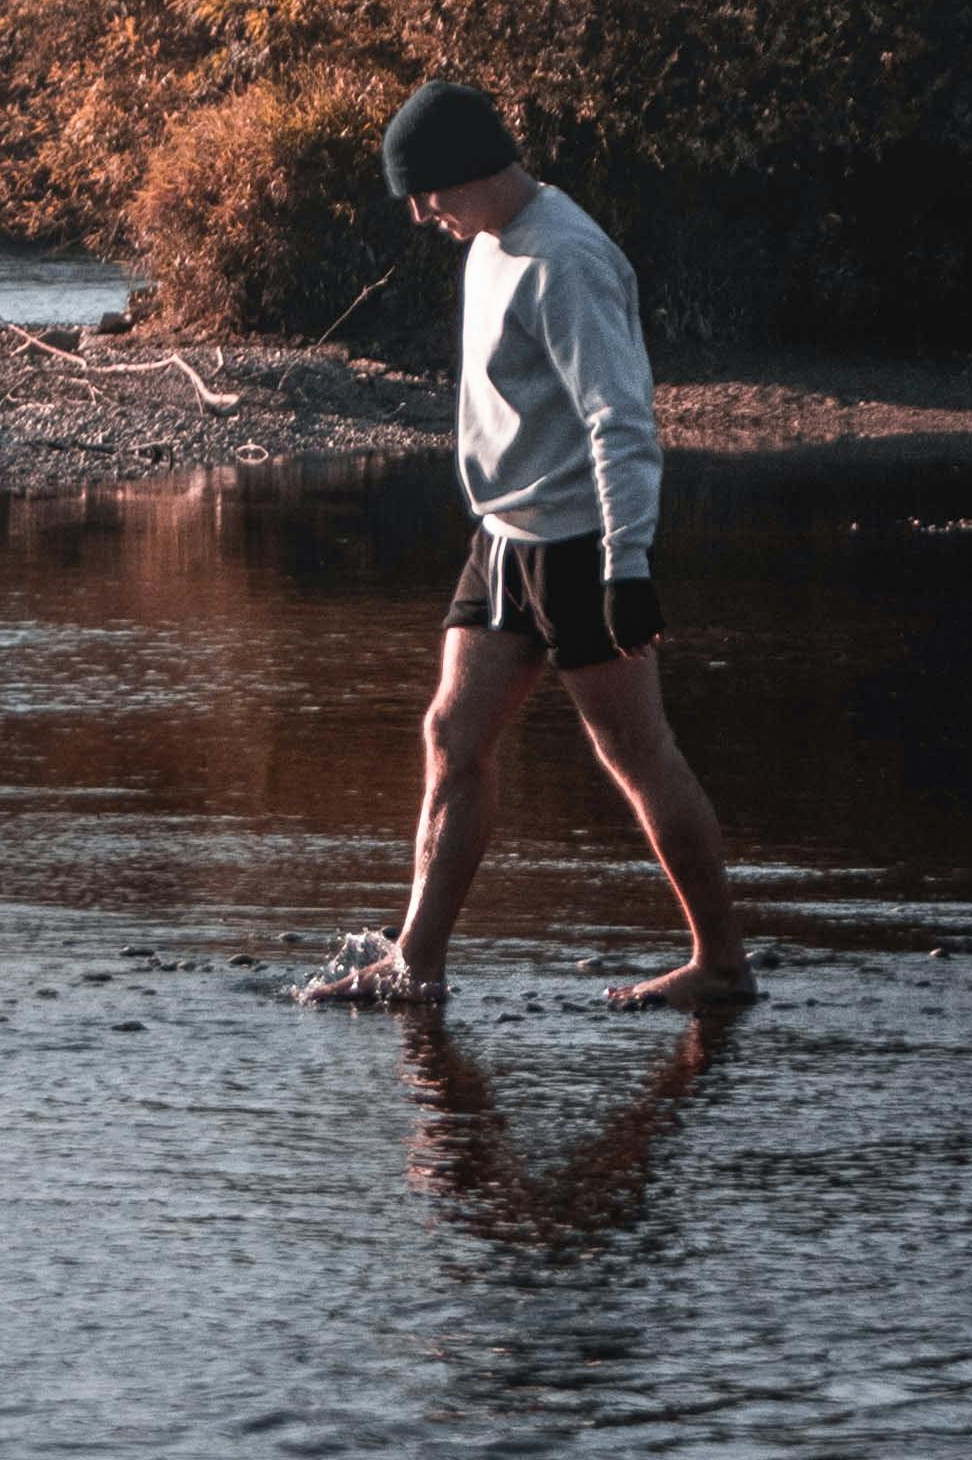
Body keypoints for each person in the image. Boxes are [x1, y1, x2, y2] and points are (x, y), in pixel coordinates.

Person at [301, 79, 752, 1016]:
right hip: (504, 538)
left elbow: (620, 421)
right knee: (450, 736)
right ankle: (415, 963)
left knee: (637, 754)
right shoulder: (487, 247)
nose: (425, 214)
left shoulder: (568, 259)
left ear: (472, 167)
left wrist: (630, 566)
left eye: (428, 192)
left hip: (582, 547)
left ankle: (720, 962)